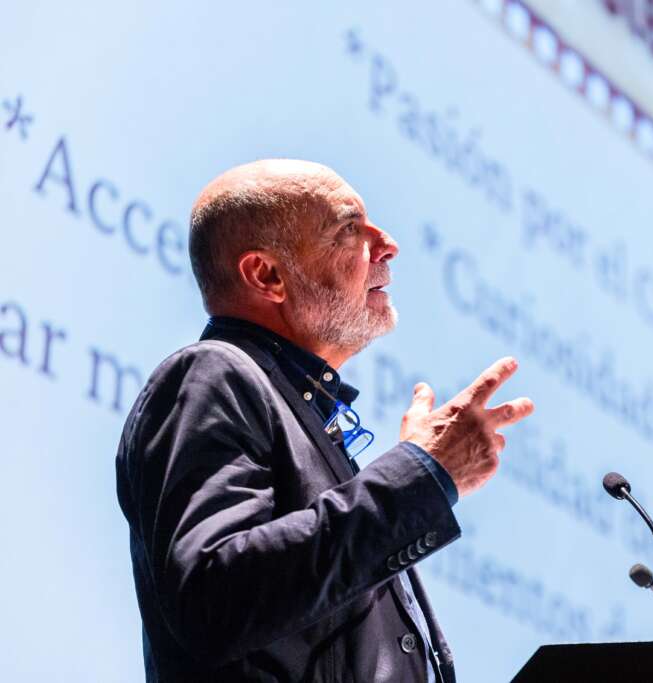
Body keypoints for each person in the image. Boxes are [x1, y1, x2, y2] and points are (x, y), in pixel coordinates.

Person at [115, 159, 534, 682]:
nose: (387, 245)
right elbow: (213, 597)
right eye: (349, 229)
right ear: (267, 275)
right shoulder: (211, 374)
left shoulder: (298, 403)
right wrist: (420, 474)